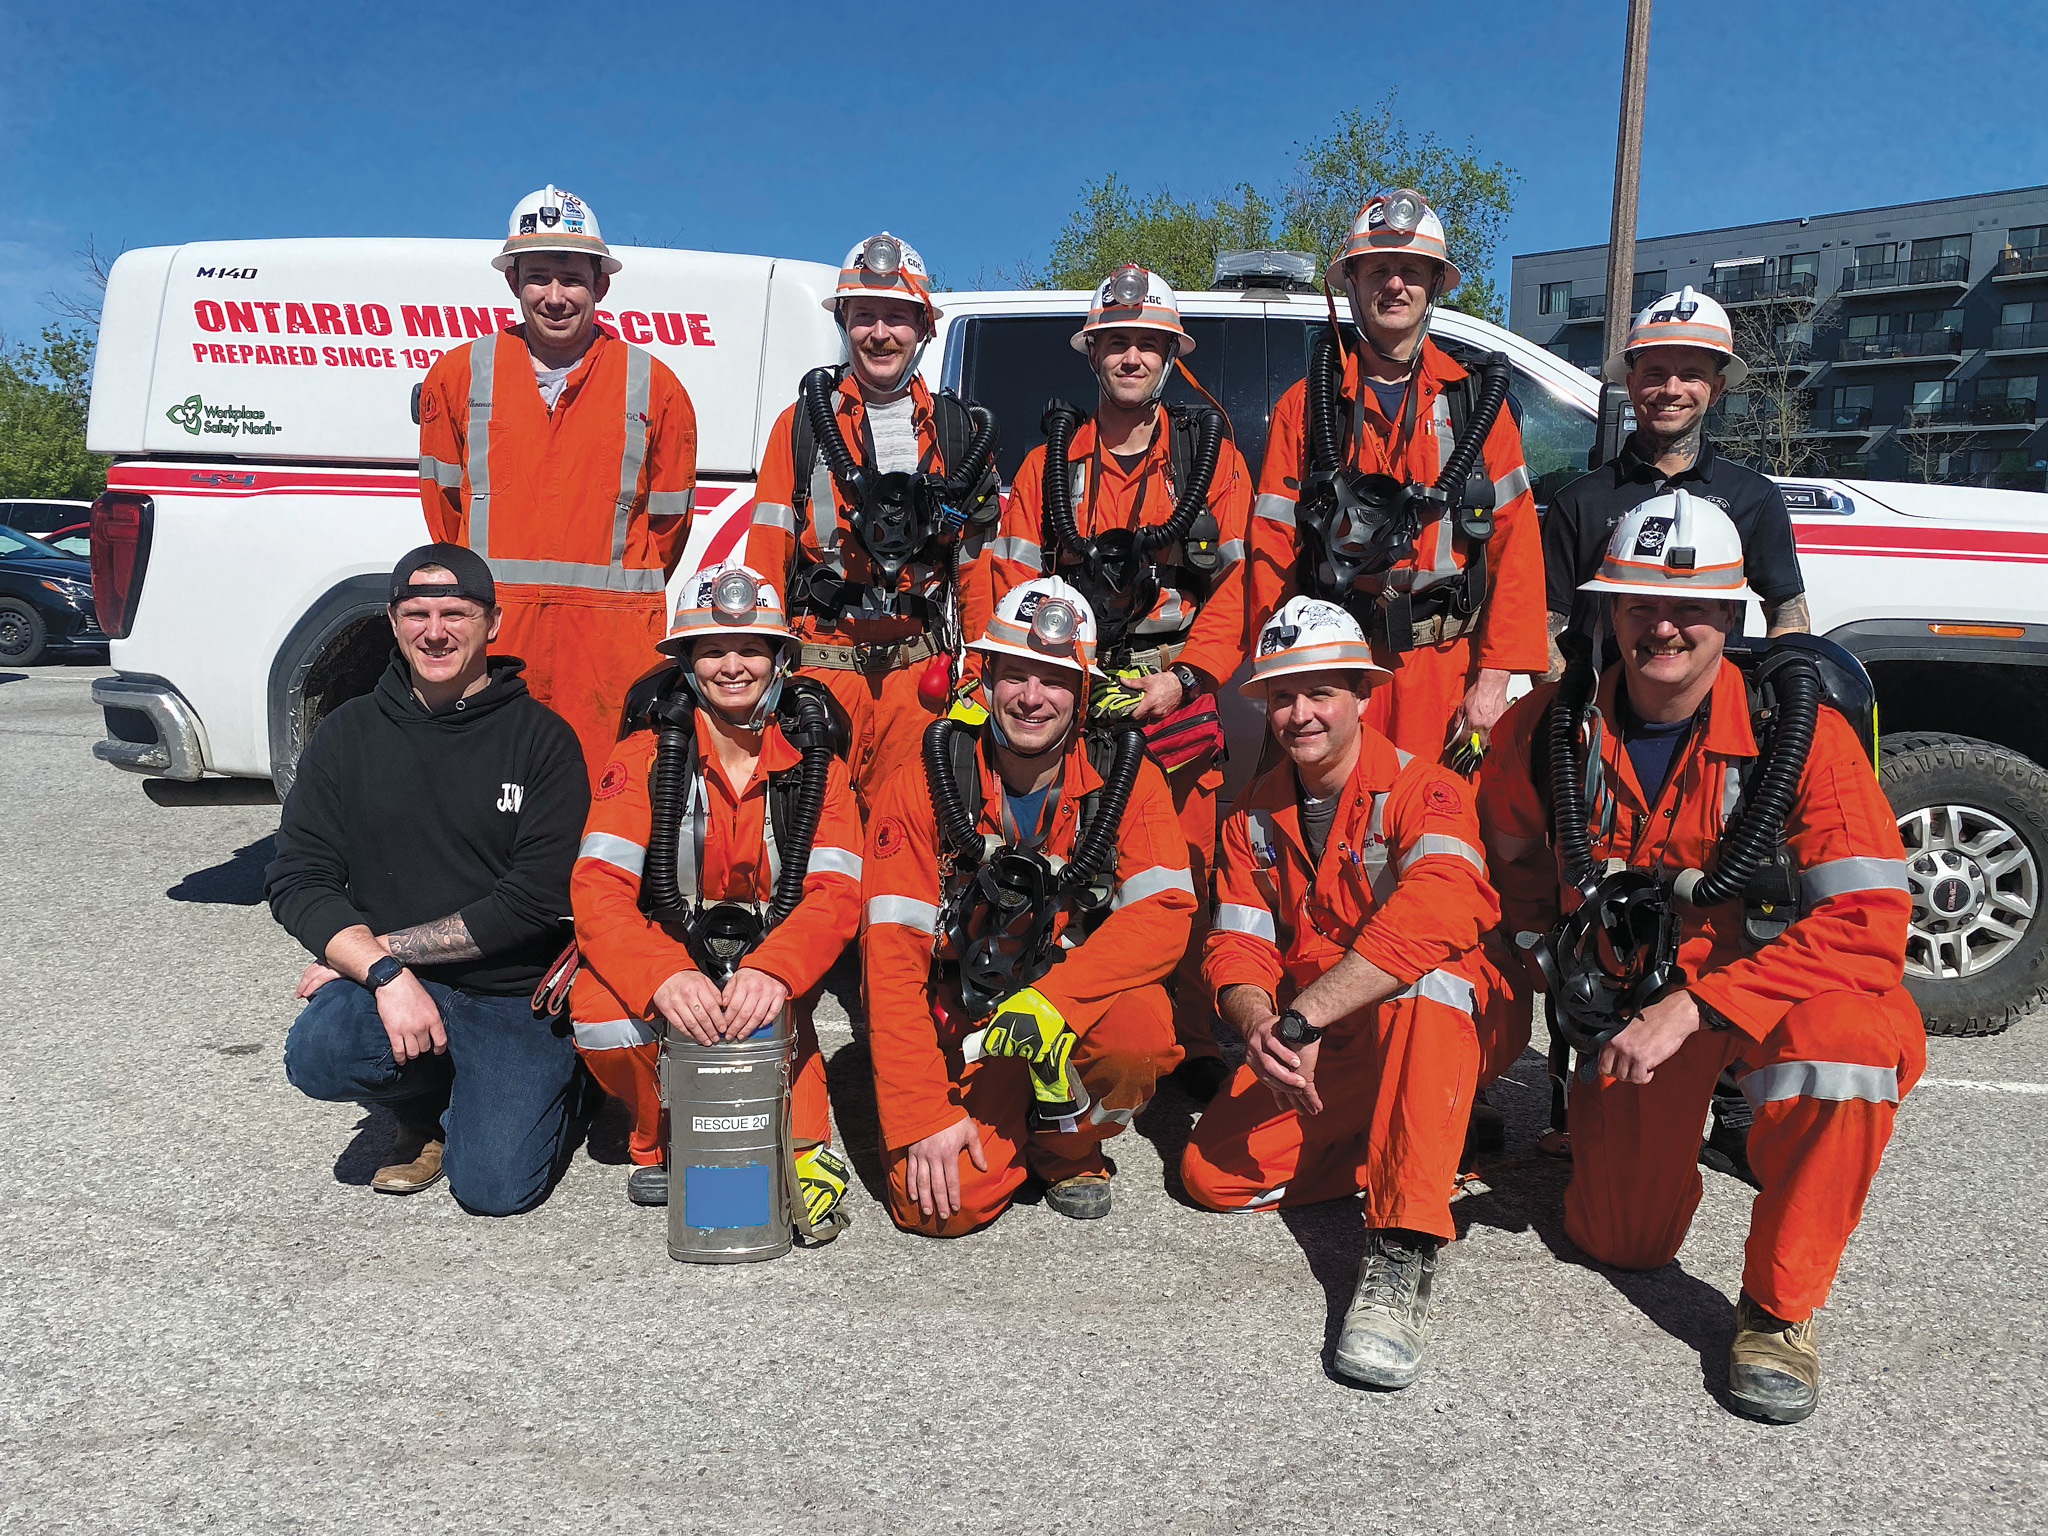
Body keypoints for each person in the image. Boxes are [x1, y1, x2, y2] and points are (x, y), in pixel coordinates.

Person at [1478, 490, 1924, 1424]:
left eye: (1691, 609)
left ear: (1732, 615)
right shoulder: (1542, 734)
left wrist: (1699, 1006)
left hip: (1754, 1001)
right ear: (1608, 613)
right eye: (1640, 606)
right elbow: (1509, 876)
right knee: (1620, 1241)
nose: (1664, 627)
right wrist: (1537, 963)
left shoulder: (1801, 738)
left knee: (1846, 1045)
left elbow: (1872, 920)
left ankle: (1778, 1310)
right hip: (1626, 1015)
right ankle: (1649, 1138)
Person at [1180, 597, 1522, 1389]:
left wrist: (1302, 1015)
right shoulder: (1253, 818)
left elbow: (1441, 909)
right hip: (1327, 1038)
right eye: (1283, 695)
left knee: (1423, 980)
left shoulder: (1427, 790)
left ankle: (1401, 1247)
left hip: (1450, 1020)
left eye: (1321, 692)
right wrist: (1258, 1020)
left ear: (1364, 697)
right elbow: (1235, 944)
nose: (1300, 714)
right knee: (1212, 1175)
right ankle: (1425, 1147)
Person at [974, 265, 1253, 1099]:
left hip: (1172, 694)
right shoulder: (1046, 467)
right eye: (1116, 343)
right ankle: (1069, 1000)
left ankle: (1196, 1031)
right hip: (1071, 696)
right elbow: (1007, 583)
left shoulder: (1212, 462)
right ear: (1092, 354)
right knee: (1071, 854)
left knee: (1186, 868)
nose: (1131, 357)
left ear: (1170, 355)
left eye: (1148, 343)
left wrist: (1186, 676)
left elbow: (1243, 582)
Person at [861, 577, 1196, 1234]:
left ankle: (1066, 1146)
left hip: (1070, 998)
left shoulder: (1130, 778)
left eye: (1053, 679)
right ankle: (1006, 1109)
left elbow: (1164, 916)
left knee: (1139, 1044)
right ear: (984, 680)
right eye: (1014, 675)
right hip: (962, 1009)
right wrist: (921, 1114)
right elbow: (890, 958)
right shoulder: (925, 778)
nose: (1032, 698)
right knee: (940, 1205)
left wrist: (1053, 1002)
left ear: (1085, 688)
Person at [268, 544, 593, 1216]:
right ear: (393, 622)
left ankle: (564, 1081)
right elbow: (299, 875)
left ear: (492, 623)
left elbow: (534, 901)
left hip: (514, 993)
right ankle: (420, 1103)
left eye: (456, 612)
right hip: (405, 987)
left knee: (495, 1190)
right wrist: (381, 975)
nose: (435, 630)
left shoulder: (543, 741)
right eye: (417, 613)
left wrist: (377, 951)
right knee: (321, 1051)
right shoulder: (347, 735)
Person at [566, 561, 861, 1226]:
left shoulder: (820, 767)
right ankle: (657, 1138)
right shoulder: (643, 758)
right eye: (713, 650)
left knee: (797, 1165)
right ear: (687, 664)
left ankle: (744, 1102)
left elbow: (835, 895)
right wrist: (663, 975)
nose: (733, 666)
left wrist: (775, 972)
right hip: (671, 950)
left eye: (751, 649)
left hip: (773, 967)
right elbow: (599, 891)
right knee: (603, 1018)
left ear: (780, 659)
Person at [1249, 190, 1547, 767]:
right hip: (1331, 670)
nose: (1394, 285)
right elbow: (1271, 545)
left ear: (1434, 285)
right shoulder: (1306, 407)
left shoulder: (1475, 405)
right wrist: (1280, 671)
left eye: (1411, 271)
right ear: (1353, 284)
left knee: (1437, 839)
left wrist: (1493, 681)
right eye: (1378, 269)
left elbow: (1515, 546)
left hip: (1443, 672)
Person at [418, 185, 700, 782]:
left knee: (606, 794)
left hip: (610, 639)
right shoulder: (459, 373)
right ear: (512, 282)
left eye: (571, 278)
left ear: (600, 283)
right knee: (487, 788)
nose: (554, 296)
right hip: (494, 631)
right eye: (538, 276)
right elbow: (444, 512)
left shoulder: (655, 385)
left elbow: (669, 524)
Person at [744, 232, 1002, 820]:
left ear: (924, 329)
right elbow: (766, 551)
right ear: (844, 323)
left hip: (919, 681)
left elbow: (978, 568)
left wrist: (984, 676)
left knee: (905, 846)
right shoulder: (802, 424)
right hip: (820, 674)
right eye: (864, 316)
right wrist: (759, 665)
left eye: (897, 317)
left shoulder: (958, 433)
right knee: (812, 845)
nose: (879, 333)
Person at [1542, 285, 1807, 672]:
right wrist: (1570, 715)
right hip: (1599, 720)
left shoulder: (1755, 498)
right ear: (1630, 385)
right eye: (1655, 374)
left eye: (1691, 375)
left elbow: (1788, 618)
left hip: (1711, 722)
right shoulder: (1578, 503)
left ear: (1716, 389)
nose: (1671, 389)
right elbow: (1543, 627)